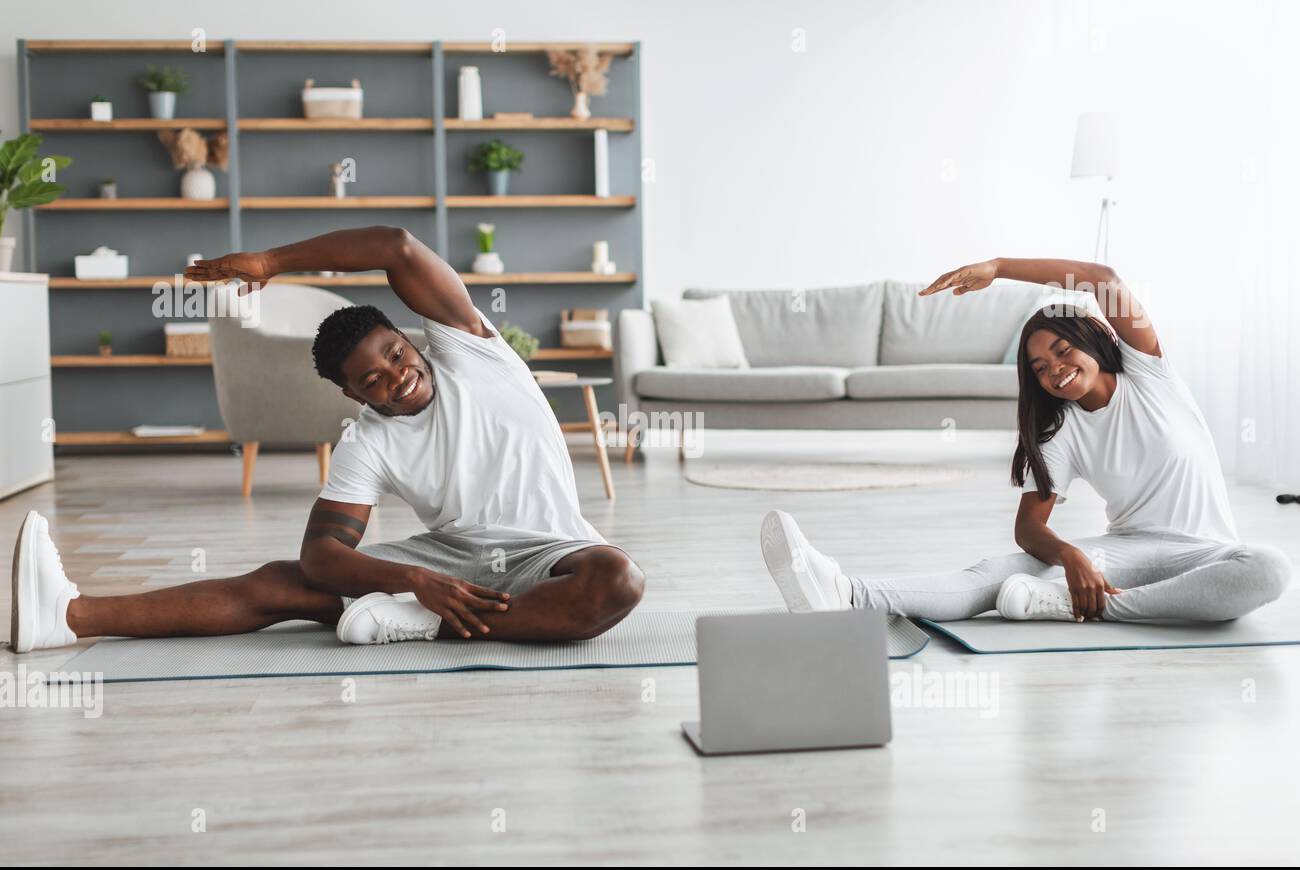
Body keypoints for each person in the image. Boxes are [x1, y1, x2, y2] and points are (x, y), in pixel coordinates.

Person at [10, 226, 644, 654]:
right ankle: (65, 617)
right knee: (279, 582)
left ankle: (428, 629)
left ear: (410, 336)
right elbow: (321, 555)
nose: (399, 376)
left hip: (547, 551)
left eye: (397, 354)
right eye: (374, 379)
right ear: (355, 395)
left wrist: (270, 264)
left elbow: (395, 246)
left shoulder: (470, 350)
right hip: (451, 558)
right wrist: (413, 577)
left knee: (617, 580)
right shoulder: (365, 441)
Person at [760, 257, 1291, 624]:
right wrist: (1071, 558)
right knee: (997, 576)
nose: (1056, 370)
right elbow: (1029, 528)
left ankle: (1096, 607)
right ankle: (848, 593)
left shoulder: (1149, 373)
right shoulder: (1058, 430)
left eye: (1063, 351)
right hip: (1130, 550)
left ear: (1091, 341)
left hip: (1207, 553)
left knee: (1269, 568)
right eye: (1040, 367)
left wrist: (998, 268)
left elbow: (1098, 277)